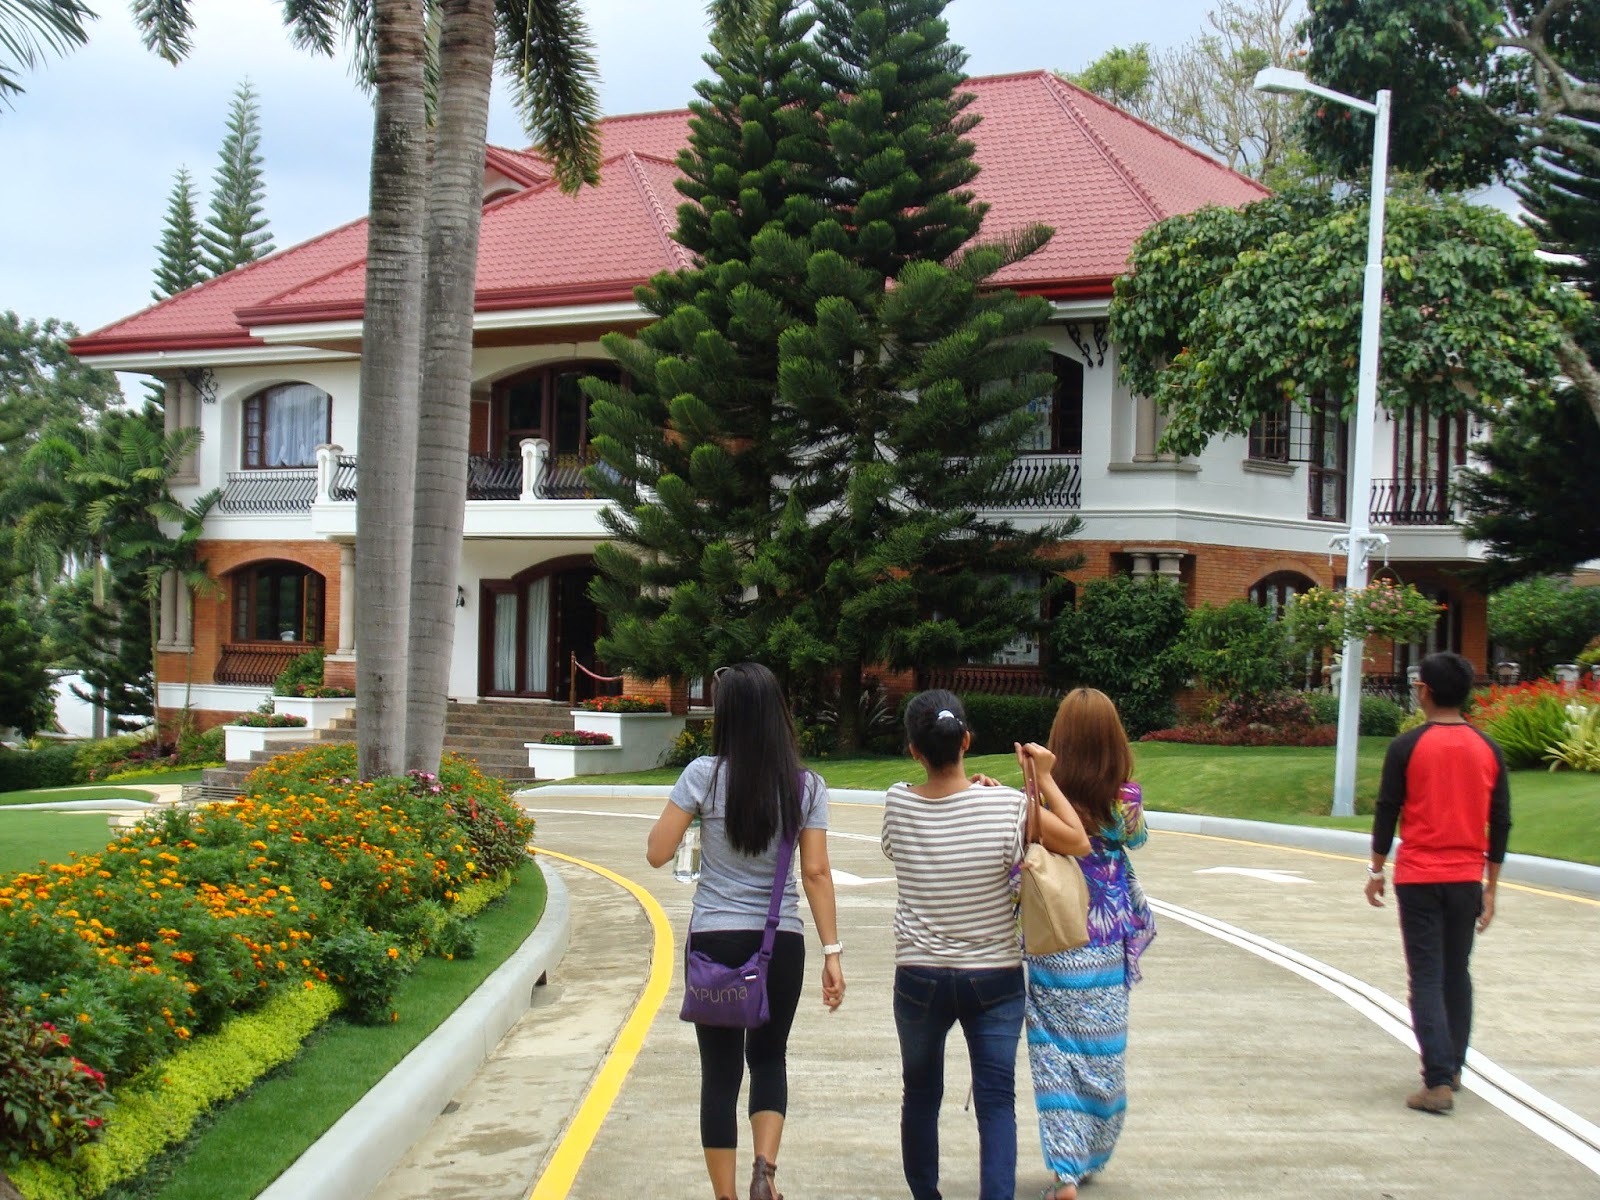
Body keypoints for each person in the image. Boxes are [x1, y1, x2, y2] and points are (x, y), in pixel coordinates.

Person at [646, 663, 845, 1200]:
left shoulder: (702, 775)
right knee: (769, 1057)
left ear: (726, 716)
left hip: (715, 940)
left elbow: (657, 853)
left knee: (719, 1073)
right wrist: (832, 952)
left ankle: (727, 1196)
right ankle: (765, 1172)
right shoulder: (807, 787)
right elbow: (817, 872)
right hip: (779, 943)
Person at [882, 690, 1089, 1200]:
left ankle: (925, 1194)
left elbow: (895, 846)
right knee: (997, 1100)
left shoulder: (897, 802)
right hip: (994, 977)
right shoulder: (1007, 807)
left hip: (919, 976)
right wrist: (1042, 777)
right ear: (967, 742)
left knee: (921, 1094)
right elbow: (1077, 839)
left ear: (914, 749)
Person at [1366, 651, 1510, 1114]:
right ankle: (1454, 1068)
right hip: (1467, 877)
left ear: (1425, 691)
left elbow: (1388, 809)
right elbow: (1500, 821)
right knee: (1456, 973)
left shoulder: (1406, 747)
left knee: (1425, 976)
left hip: (1419, 878)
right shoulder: (1488, 749)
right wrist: (1491, 888)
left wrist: (1375, 870)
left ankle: (1437, 1081)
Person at [1027, 688, 1156, 1200]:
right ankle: (1091, 1148)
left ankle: (1066, 1169)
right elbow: (1137, 840)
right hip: (1106, 940)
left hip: (1056, 937)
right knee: (1103, 1050)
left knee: (1052, 1052)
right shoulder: (1124, 800)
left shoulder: (1042, 796)